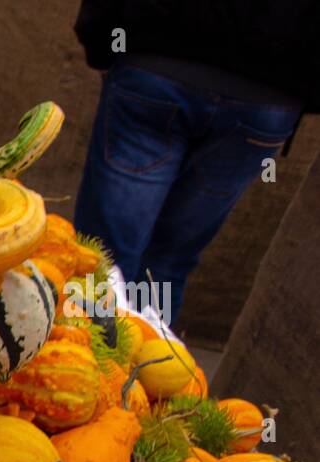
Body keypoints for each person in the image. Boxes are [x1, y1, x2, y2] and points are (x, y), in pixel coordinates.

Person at [72, 0, 318, 329]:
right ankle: (137, 374)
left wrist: (101, 41)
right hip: (267, 96)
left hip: (157, 63)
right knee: (166, 263)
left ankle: (73, 369)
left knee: (100, 256)